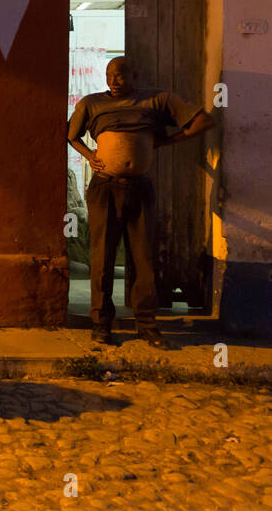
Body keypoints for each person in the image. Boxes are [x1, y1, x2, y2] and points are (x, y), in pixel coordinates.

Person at [67, 56, 215, 348]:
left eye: (121, 75)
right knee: (102, 259)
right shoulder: (91, 103)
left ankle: (147, 325)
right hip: (105, 188)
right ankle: (101, 324)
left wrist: (167, 141)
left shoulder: (156, 101)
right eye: (109, 75)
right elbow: (71, 136)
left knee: (143, 258)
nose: (114, 80)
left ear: (135, 75)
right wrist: (90, 157)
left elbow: (204, 120)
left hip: (140, 188)